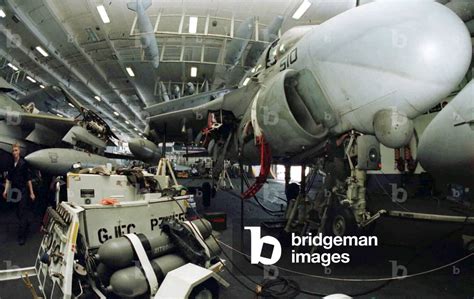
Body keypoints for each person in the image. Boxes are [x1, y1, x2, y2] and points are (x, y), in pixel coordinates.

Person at [2, 143, 36, 245]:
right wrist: (5, 191)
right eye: (13, 151)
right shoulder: (11, 164)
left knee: (22, 212)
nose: (14, 152)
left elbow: (28, 179)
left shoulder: (23, 163)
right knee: (17, 212)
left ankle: (22, 237)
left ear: (19, 151)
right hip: (15, 191)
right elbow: (8, 179)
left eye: (16, 150)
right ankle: (26, 224)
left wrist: (31, 193)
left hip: (23, 190)